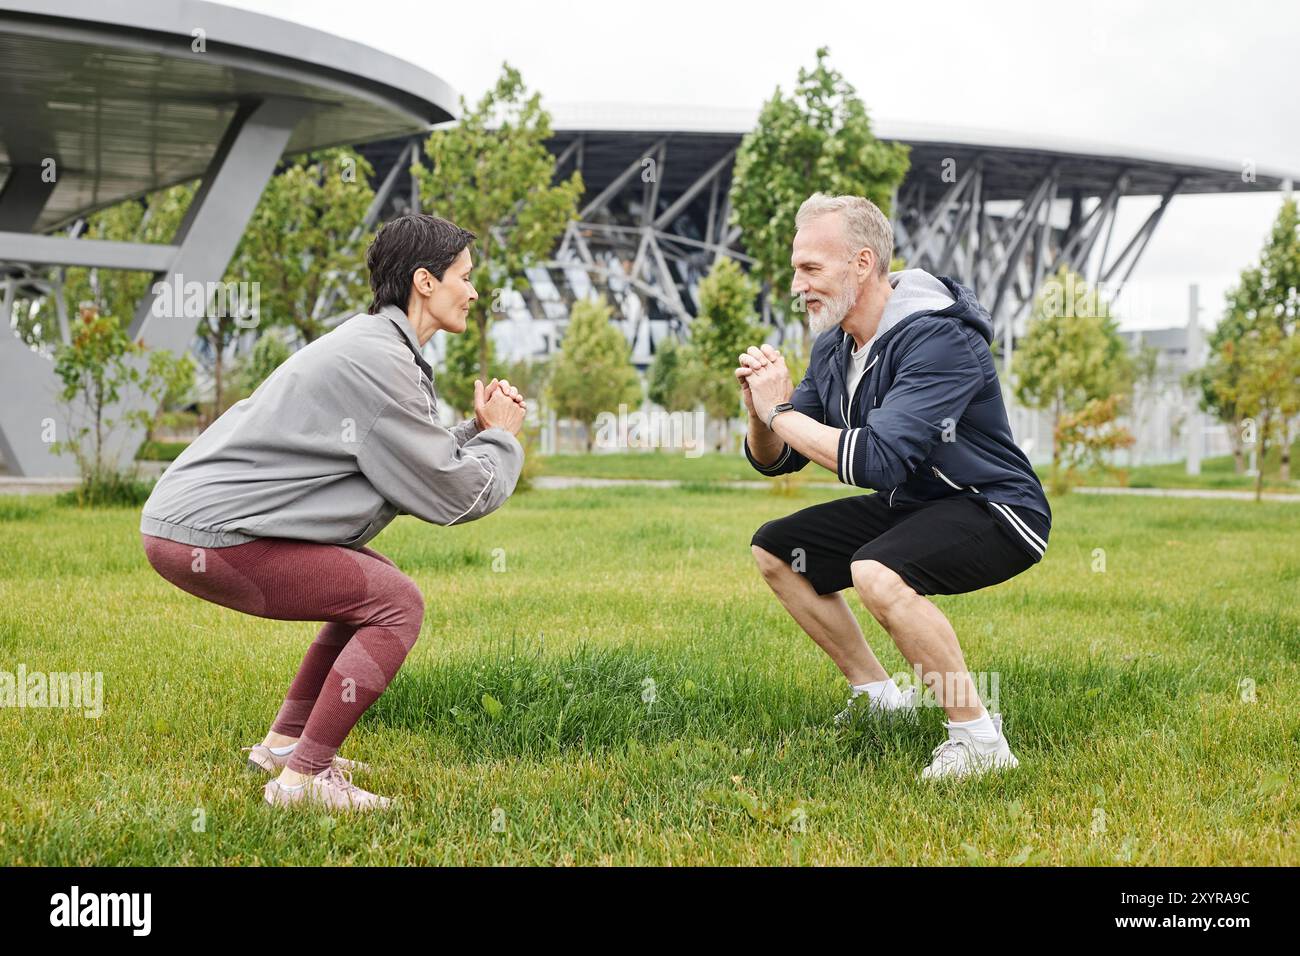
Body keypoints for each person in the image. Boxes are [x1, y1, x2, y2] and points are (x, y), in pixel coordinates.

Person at [139, 214, 526, 810]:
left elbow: (409, 460)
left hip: (189, 526)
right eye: (465, 276)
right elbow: (455, 495)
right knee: (396, 604)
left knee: (372, 585)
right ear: (425, 281)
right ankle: (303, 782)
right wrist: (501, 437)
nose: (474, 292)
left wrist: (476, 431)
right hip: (206, 536)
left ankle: (284, 747)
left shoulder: (376, 347)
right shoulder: (381, 360)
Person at [738, 193, 1052, 781]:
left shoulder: (940, 339)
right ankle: (881, 698)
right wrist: (761, 412)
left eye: (811, 268)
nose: (798, 285)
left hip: (998, 510)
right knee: (776, 549)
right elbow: (779, 459)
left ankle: (980, 742)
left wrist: (780, 410)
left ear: (862, 263)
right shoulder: (835, 346)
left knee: (876, 571)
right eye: (795, 269)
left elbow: (878, 460)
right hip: (914, 504)